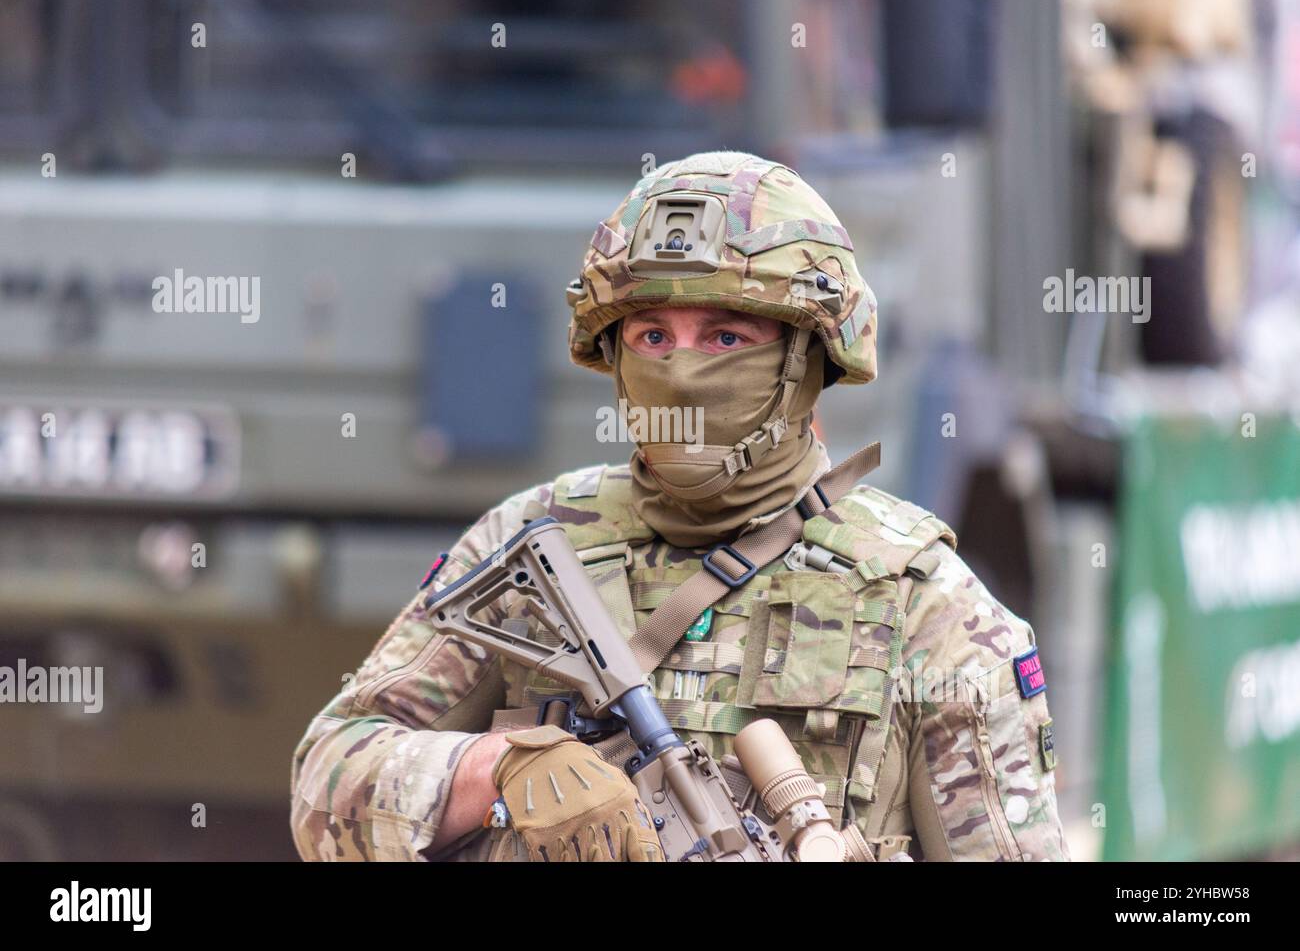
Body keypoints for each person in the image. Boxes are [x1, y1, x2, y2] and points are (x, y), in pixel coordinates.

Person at [289, 151, 1071, 862]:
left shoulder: (921, 602)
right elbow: (326, 781)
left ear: (806, 361)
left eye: (725, 338)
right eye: (654, 336)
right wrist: (499, 771)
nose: (682, 372)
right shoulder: (531, 543)